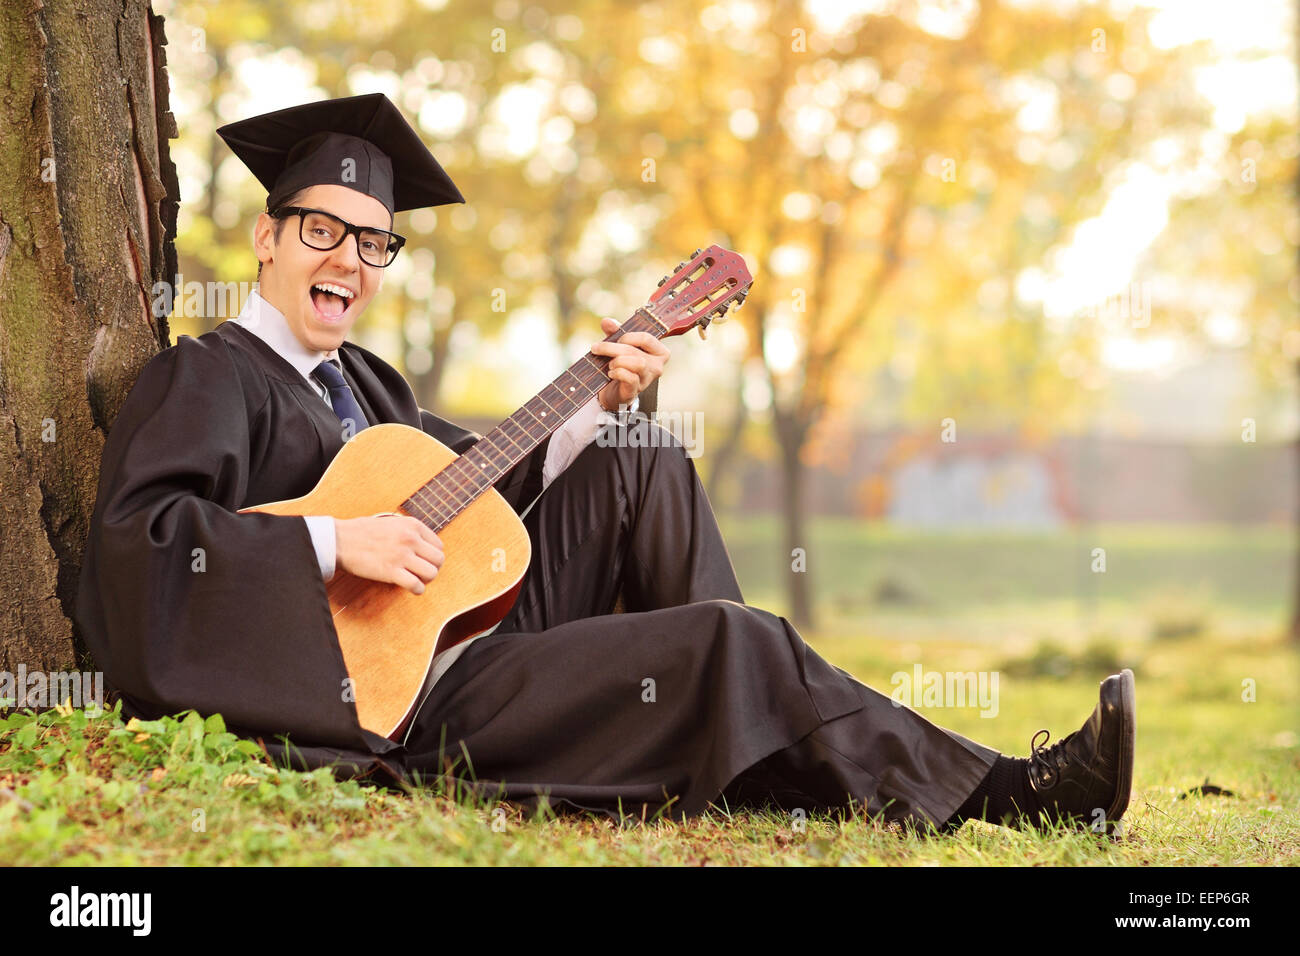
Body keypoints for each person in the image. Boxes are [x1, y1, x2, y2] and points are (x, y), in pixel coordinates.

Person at [75, 93, 1136, 835]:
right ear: (267, 238)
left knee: (639, 454)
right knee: (729, 634)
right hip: (391, 699)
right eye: (323, 230)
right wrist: (332, 539)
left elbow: (477, 503)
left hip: (463, 634)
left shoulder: (377, 390)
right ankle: (1008, 791)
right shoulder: (210, 373)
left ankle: (749, 734)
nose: (350, 259)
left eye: (375, 241)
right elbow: (142, 548)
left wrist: (591, 404)